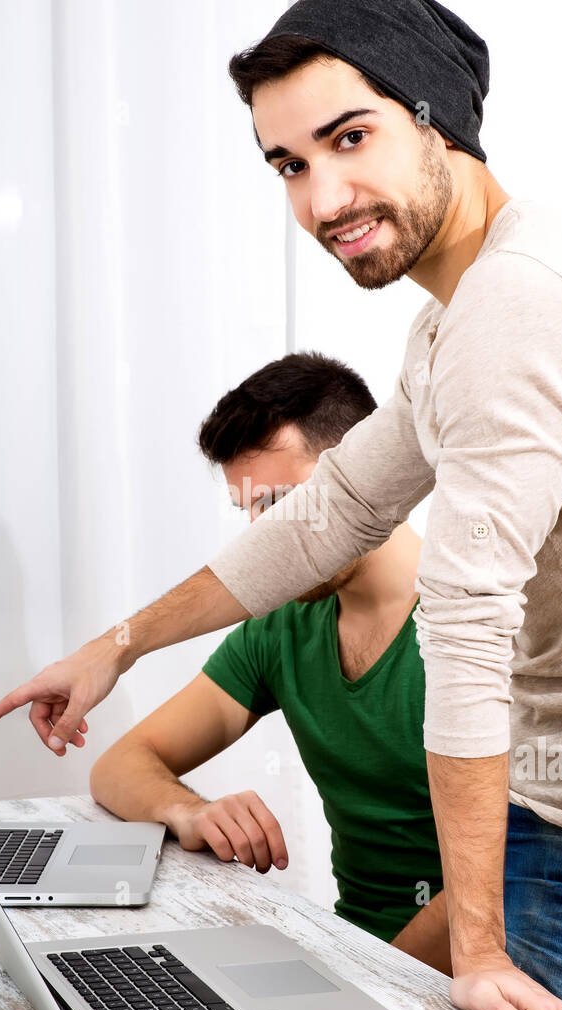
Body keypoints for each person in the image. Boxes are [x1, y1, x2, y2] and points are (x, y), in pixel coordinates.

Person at [0, 0, 562, 1010]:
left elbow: (464, 623)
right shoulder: (458, 314)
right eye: (288, 165)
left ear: (436, 117)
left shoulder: (518, 300)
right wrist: (116, 645)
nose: (322, 198)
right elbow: (327, 514)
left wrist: (470, 945)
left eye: (347, 138)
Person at [89, 351, 450, 968]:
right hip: (356, 958)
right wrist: (190, 811)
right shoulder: (285, 622)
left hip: (470, 981)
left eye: (284, 502)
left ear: (368, 469)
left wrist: (382, 982)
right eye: (253, 509)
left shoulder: (471, 625)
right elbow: (120, 766)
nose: (266, 533)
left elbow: (513, 872)